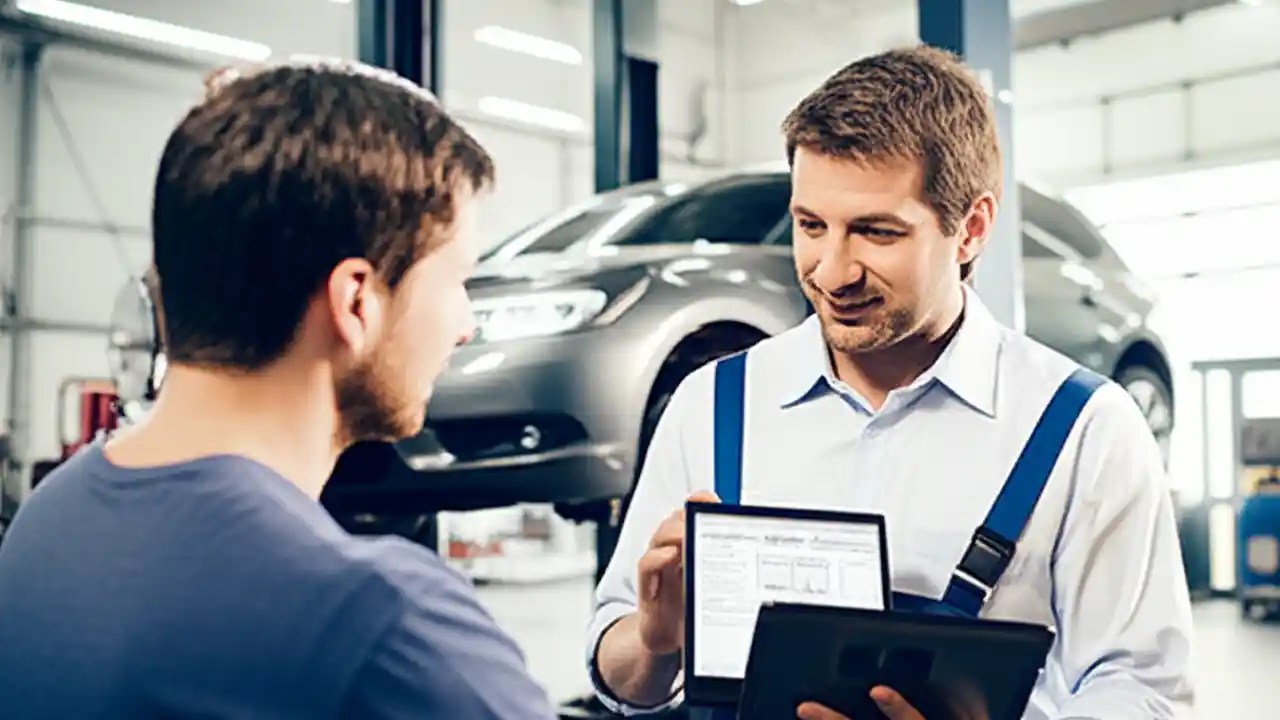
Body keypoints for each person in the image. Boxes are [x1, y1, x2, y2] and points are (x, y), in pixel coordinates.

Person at [586, 46, 1194, 720]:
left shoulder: (1085, 430)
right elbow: (620, 672)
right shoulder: (712, 406)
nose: (832, 270)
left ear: (972, 229)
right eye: (810, 225)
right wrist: (653, 641)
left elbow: (1143, 692)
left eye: (875, 233)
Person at [0, 60, 558, 720]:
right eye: (459, 280)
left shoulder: (47, 525)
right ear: (356, 301)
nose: (465, 325)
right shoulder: (385, 625)